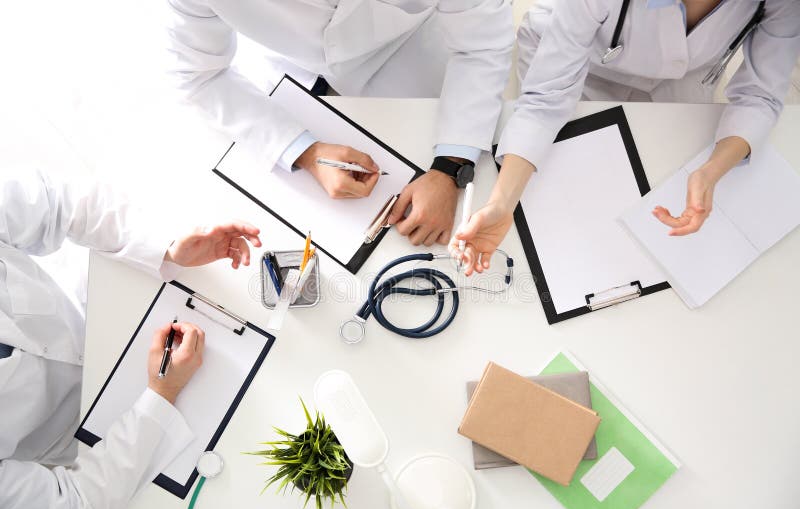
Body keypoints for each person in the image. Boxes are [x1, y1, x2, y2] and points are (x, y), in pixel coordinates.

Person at [0, 170, 262, 509]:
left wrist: (166, 247)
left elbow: (57, 202)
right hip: (94, 443)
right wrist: (161, 395)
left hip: (105, 311)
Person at [453, 0, 800, 274]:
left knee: (654, 182)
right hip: (585, 65)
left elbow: (761, 95)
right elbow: (546, 100)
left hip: (678, 80)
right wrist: (501, 204)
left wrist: (712, 170)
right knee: (575, 188)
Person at [165, 0, 513, 246]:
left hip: (415, 48)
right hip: (300, 70)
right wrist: (303, 151)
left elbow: (482, 47)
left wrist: (451, 167)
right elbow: (198, 77)